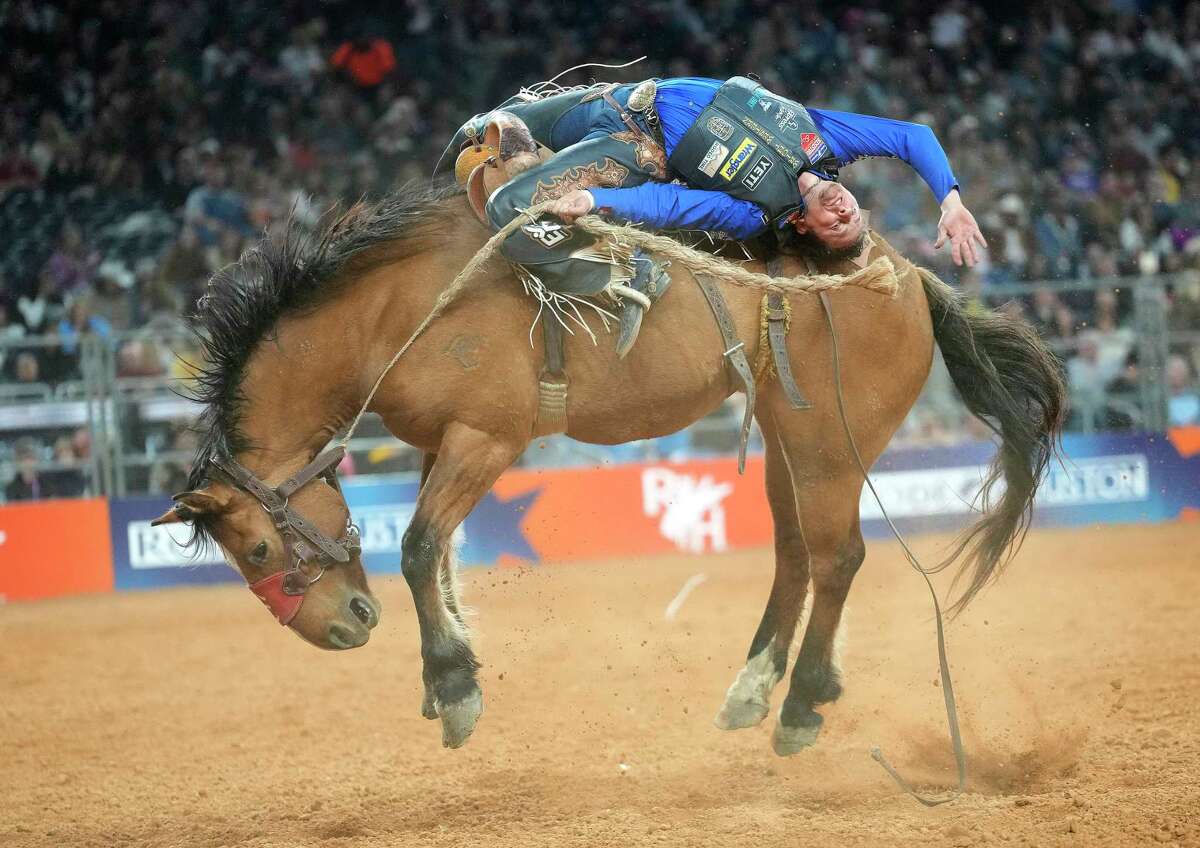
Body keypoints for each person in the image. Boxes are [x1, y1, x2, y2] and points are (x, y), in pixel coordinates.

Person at [439, 75, 986, 356]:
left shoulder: (757, 214)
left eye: (839, 227)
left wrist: (596, 201)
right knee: (476, 128)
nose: (846, 211)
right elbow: (912, 136)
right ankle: (526, 158)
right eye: (854, 215)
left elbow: (673, 204)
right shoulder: (827, 141)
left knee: (509, 213)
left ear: (803, 227)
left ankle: (615, 277)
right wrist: (951, 200)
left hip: (632, 146)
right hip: (615, 98)